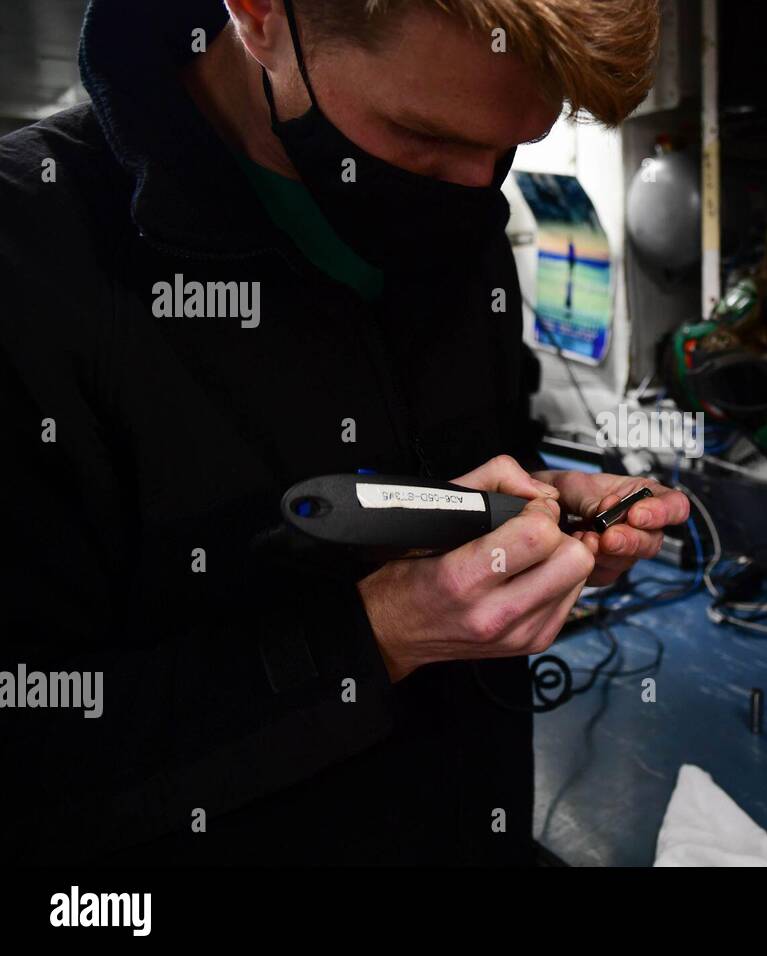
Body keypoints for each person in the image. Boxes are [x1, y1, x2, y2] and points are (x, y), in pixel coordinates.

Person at [0, 0, 683, 865]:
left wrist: (543, 509)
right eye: (423, 139)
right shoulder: (29, 259)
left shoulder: (461, 218)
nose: (477, 193)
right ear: (258, 14)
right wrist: (375, 635)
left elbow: (470, 461)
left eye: (508, 149)